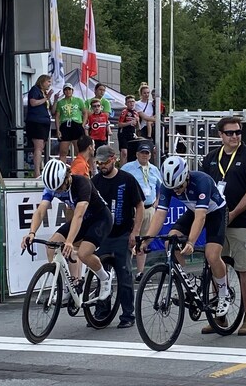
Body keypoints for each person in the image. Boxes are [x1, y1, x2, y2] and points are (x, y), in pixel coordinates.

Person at [139, 156, 234, 318]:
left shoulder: (202, 181)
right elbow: (160, 215)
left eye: (179, 187)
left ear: (186, 177)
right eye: (173, 188)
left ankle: (224, 294)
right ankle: (187, 282)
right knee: (170, 241)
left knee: (212, 255)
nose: (176, 191)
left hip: (215, 212)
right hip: (193, 210)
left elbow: (201, 217)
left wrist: (191, 242)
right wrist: (147, 239)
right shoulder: (168, 186)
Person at [21, 158, 114, 310]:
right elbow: (40, 211)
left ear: (67, 177)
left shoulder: (82, 183)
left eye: (59, 187)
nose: (57, 191)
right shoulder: (52, 187)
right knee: (51, 246)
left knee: (83, 253)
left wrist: (69, 241)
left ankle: (105, 278)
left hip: (100, 218)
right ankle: (67, 287)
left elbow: (78, 215)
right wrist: (31, 233)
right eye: (54, 189)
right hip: (83, 220)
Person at [200, 116, 246, 335]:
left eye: (238, 132)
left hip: (242, 221)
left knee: (244, 267)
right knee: (216, 265)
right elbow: (203, 189)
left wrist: (234, 213)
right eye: (230, 133)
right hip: (216, 220)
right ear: (220, 135)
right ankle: (221, 314)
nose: (235, 136)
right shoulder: (210, 158)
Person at [91, 145, 146, 329]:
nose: (101, 166)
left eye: (105, 162)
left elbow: (140, 205)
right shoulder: (95, 181)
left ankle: (128, 314)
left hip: (122, 233)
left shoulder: (126, 179)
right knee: (101, 274)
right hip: (102, 235)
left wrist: (135, 231)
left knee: (124, 275)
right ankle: (102, 311)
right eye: (98, 163)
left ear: (113, 159)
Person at [123, 140, 162, 278]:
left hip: (149, 208)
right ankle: (126, 272)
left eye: (147, 153)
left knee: (144, 241)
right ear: (137, 154)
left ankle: (140, 272)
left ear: (150, 155)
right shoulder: (128, 168)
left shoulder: (154, 169)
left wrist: (157, 201)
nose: (144, 155)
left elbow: (161, 187)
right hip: (134, 209)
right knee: (130, 240)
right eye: (142, 153)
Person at [25, 74, 53, 178]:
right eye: (48, 82)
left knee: (41, 147)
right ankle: (37, 172)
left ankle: (40, 170)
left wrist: (53, 99)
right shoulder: (35, 90)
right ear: (42, 81)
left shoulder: (44, 93)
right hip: (36, 121)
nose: (49, 84)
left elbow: (51, 110)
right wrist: (46, 98)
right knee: (38, 146)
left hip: (44, 122)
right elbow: (33, 102)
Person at [55, 83, 87, 163]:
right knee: (63, 151)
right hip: (65, 125)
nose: (68, 91)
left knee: (79, 150)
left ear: (72, 90)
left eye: (69, 89)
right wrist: (58, 130)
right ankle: (62, 169)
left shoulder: (78, 100)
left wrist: (83, 124)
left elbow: (85, 113)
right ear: (63, 91)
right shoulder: (60, 102)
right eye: (66, 90)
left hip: (76, 124)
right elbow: (57, 116)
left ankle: (80, 168)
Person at [117, 94, 140, 164]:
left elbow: (138, 128)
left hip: (132, 134)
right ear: (126, 103)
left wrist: (138, 121)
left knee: (132, 153)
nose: (131, 103)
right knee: (124, 152)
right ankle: (122, 168)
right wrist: (130, 123)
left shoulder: (136, 113)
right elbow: (119, 124)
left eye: (133, 101)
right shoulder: (124, 112)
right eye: (129, 102)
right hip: (123, 133)